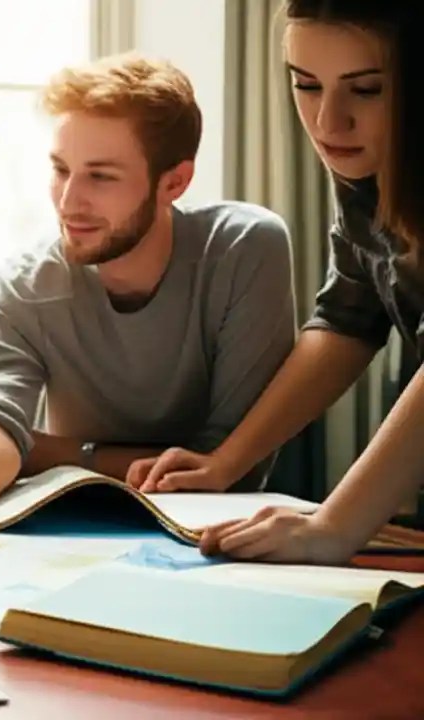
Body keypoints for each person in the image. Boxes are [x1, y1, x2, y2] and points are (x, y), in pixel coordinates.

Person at [0, 54, 297, 551]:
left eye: (100, 178)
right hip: (80, 535)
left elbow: (226, 461)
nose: (68, 202)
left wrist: (60, 454)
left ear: (175, 182)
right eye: (61, 170)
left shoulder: (244, 250)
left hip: (224, 538)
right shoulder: (25, 285)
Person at [134, 0, 424, 564]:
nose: (327, 122)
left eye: (366, 90)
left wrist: (334, 528)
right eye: (307, 85)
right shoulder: (366, 176)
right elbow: (346, 321)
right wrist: (228, 461)